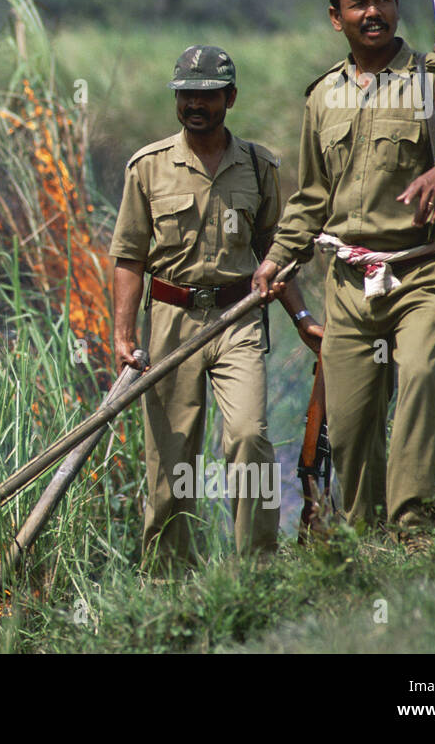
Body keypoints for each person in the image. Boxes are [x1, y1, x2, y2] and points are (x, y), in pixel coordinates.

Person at [253, 0, 435, 550]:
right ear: (336, 17)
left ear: (396, 4)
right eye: (358, 2)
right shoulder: (322, 98)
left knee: (415, 374)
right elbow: (311, 198)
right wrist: (275, 258)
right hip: (348, 283)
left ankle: (414, 523)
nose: (373, 11)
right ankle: (365, 535)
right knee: (353, 420)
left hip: (420, 272)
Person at [110, 44, 322, 571]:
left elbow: (277, 248)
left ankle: (257, 572)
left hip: (238, 319)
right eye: (186, 94)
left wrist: (301, 319)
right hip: (170, 324)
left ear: (230, 96)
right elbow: (129, 258)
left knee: (249, 438)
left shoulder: (257, 164)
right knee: (171, 459)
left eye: (207, 94)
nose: (195, 104)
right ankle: (165, 584)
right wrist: (123, 335)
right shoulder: (148, 167)